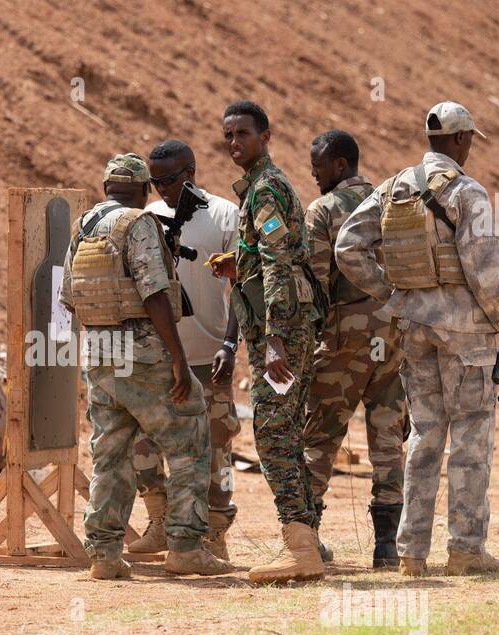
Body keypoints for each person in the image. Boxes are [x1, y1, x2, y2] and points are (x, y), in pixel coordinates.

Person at [335, 101, 499, 577]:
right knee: (471, 438)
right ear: (460, 141)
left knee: (423, 436)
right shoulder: (467, 192)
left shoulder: (396, 187)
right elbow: (488, 273)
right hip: (466, 333)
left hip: (414, 328)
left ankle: (412, 552)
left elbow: (347, 246)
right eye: (471, 140)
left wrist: (393, 292)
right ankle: (465, 549)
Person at [60, 153, 231, 580]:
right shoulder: (137, 223)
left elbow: (68, 295)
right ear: (142, 191)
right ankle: (187, 546)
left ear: (105, 189)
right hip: (142, 350)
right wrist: (177, 358)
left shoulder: (84, 227)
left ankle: (104, 554)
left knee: (110, 452)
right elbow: (154, 292)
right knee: (190, 437)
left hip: (99, 353)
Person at [210, 101, 326, 584]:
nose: (234, 143)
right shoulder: (257, 189)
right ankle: (306, 542)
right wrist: (239, 266)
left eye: (243, 134)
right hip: (280, 325)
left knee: (274, 432)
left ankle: (300, 546)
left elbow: (280, 263)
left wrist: (275, 339)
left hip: (281, 330)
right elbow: (270, 258)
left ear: (265, 136)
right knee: (288, 432)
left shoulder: (266, 189)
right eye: (228, 135)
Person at [125, 139, 242, 562]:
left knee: (215, 448)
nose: (162, 190)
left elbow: (243, 286)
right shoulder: (148, 218)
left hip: (208, 352)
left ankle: (213, 533)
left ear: (191, 171)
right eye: (154, 182)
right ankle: (159, 522)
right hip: (158, 355)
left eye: (170, 180)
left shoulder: (225, 214)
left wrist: (229, 345)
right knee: (144, 442)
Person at [302, 130, 407, 570]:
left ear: (340, 165)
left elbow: (315, 281)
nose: (313, 173)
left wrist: (308, 341)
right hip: (394, 333)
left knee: (320, 436)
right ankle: (387, 546)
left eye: (319, 165)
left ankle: (305, 537)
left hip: (344, 336)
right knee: (388, 437)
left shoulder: (324, 210)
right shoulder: (392, 203)